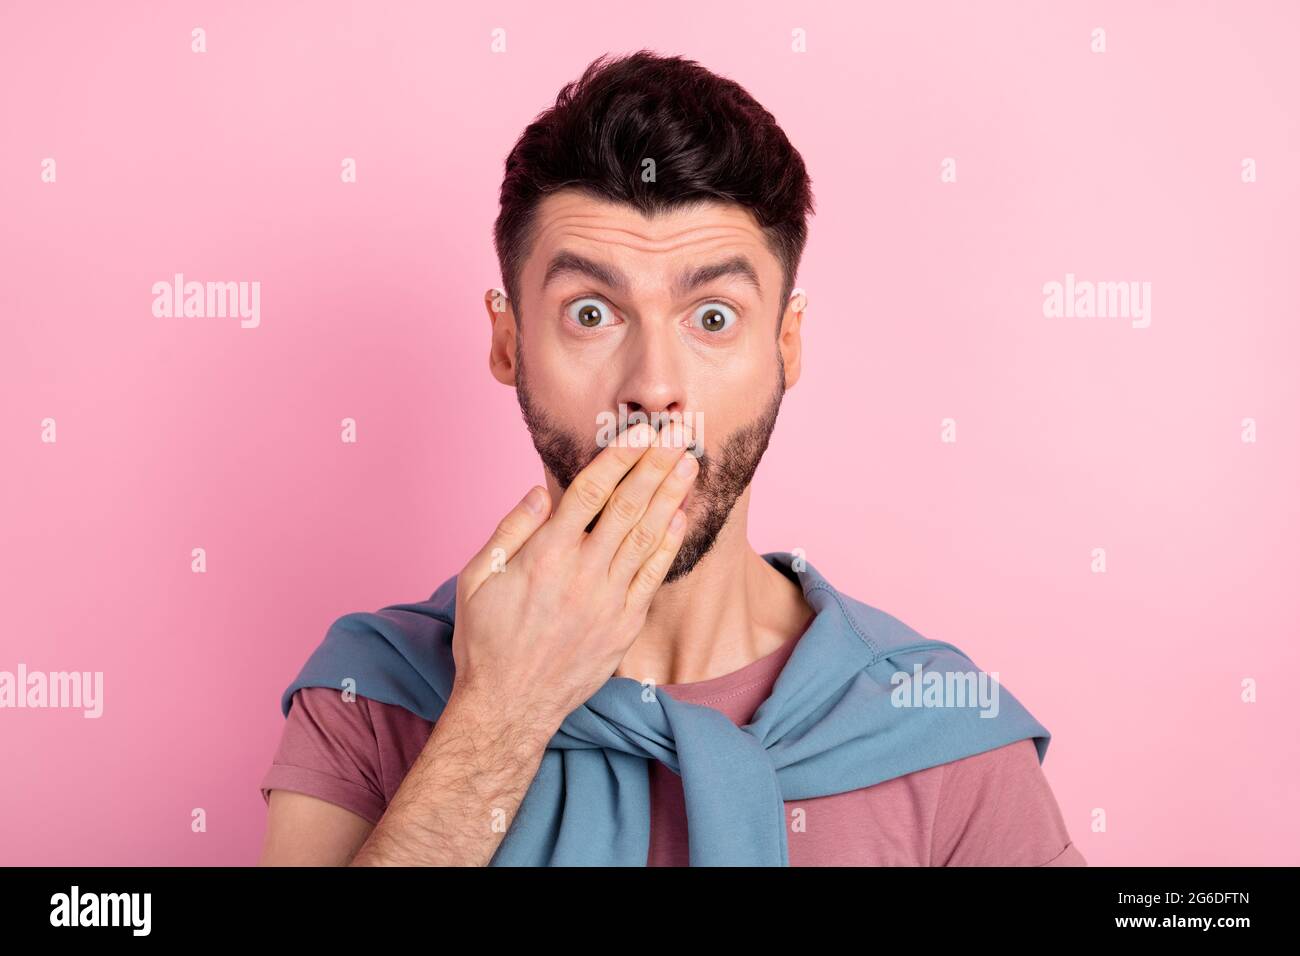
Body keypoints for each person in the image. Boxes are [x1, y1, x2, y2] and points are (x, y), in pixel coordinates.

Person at [258, 49, 1084, 867]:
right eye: (591, 312)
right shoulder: (372, 692)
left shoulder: (940, 732)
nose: (653, 389)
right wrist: (502, 710)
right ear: (509, 342)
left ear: (786, 347)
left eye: (713, 318)